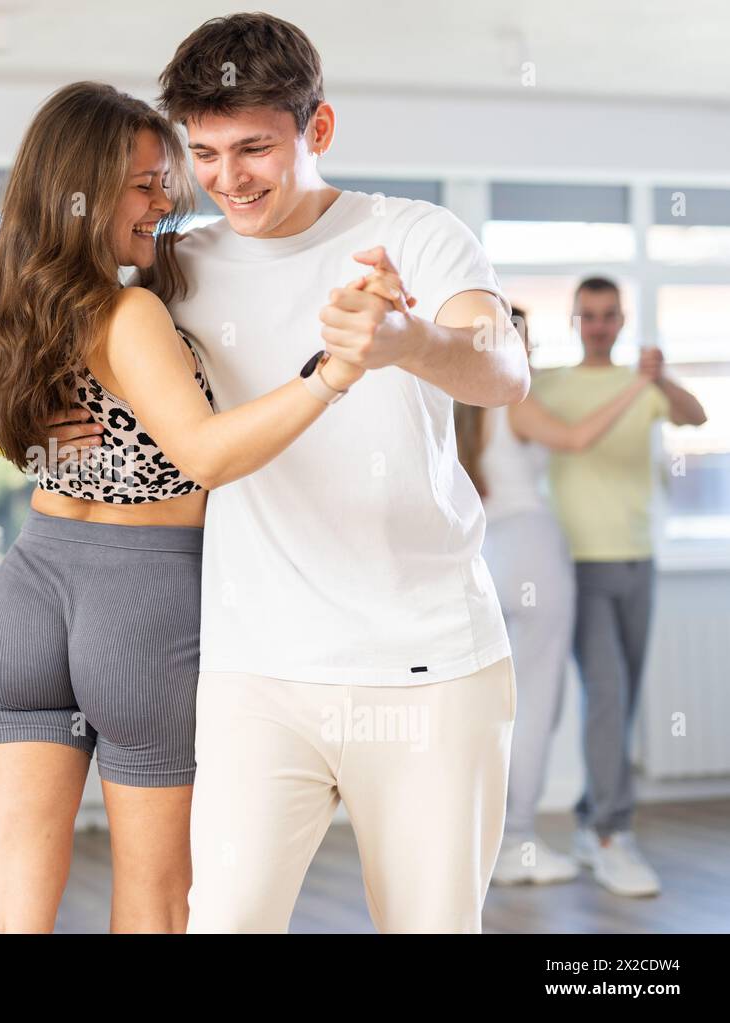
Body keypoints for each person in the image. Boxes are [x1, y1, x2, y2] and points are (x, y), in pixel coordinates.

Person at [0, 81, 404, 934]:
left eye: (167, 179)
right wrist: (332, 375)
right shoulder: (128, 311)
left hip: (25, 596)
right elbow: (203, 453)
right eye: (144, 183)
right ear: (78, 191)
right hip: (144, 604)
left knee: (4, 904)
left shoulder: (16, 314)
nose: (167, 200)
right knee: (159, 903)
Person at [152, 12, 530, 933]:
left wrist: (407, 338)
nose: (226, 179)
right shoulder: (180, 267)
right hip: (255, 671)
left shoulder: (415, 235)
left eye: (253, 149)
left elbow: (502, 364)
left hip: (429, 664)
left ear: (316, 130)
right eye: (203, 152)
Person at [454, 306, 657, 886]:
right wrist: (639, 384)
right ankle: (517, 841)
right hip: (536, 555)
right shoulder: (514, 400)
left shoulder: (459, 403)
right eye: (524, 342)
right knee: (536, 708)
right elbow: (574, 438)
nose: (530, 353)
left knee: (490, 709)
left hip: (486, 556)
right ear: (508, 347)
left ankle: (487, 843)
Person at [532, 276, 706, 897]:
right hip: (577, 564)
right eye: (589, 315)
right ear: (574, 319)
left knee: (622, 698)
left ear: (622, 320)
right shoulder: (552, 384)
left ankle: (588, 819)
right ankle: (612, 835)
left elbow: (697, 416)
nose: (599, 325)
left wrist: (657, 379)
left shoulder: (647, 386)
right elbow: (566, 441)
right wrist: (637, 384)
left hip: (638, 559)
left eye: (609, 316)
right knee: (606, 692)